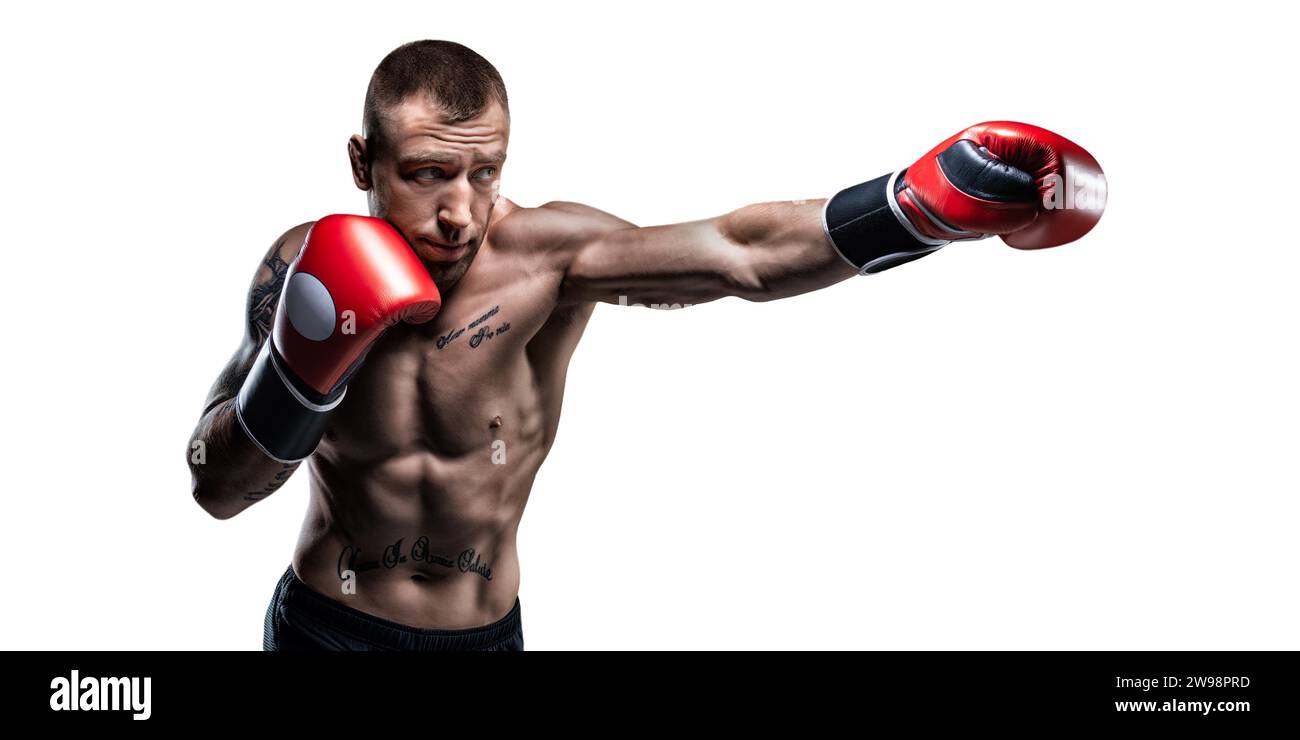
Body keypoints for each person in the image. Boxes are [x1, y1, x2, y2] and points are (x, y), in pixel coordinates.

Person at [186, 40, 1106, 651]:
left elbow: (739, 253)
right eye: (426, 175)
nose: (460, 210)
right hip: (327, 631)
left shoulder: (549, 256)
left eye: (485, 170)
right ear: (362, 163)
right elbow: (216, 488)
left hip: (482, 635)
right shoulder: (300, 265)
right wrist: (298, 378)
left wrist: (912, 206)